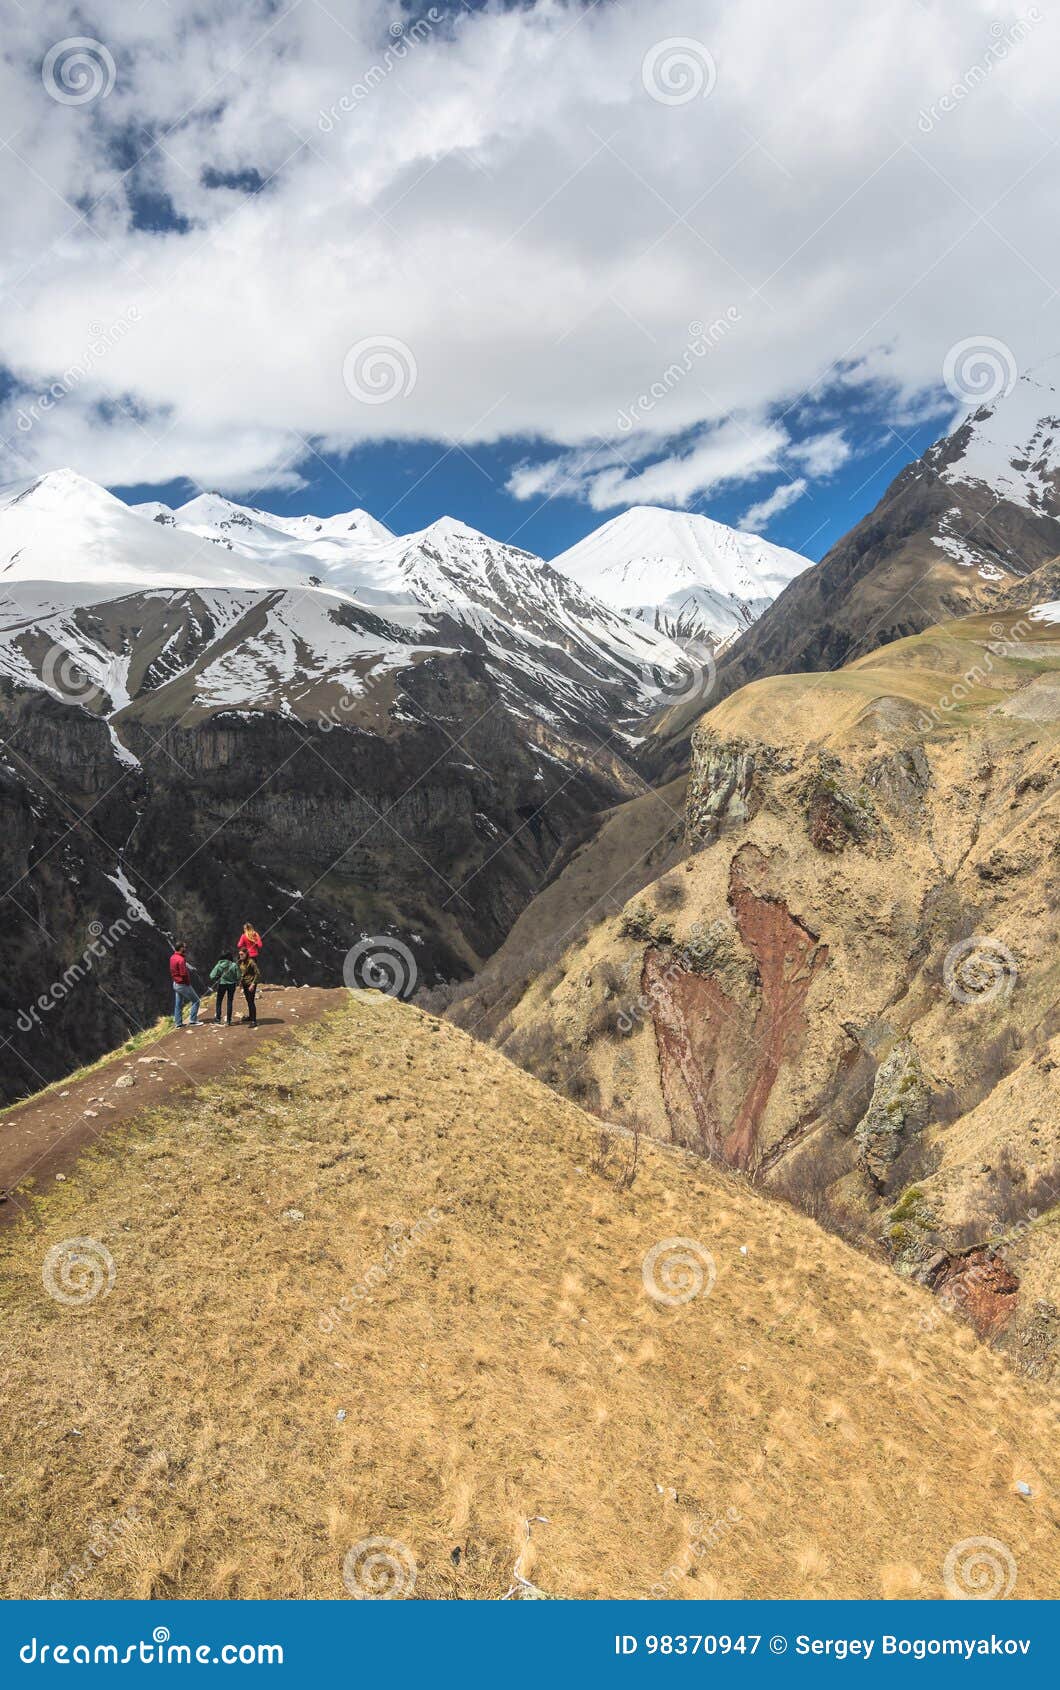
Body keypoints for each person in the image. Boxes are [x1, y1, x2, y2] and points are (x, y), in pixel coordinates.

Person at [169, 942, 200, 1028]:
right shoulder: (181, 960)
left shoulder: (172, 957)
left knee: (178, 1004)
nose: (186, 948)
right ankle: (193, 1020)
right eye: (184, 947)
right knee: (196, 1001)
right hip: (183, 984)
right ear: (181, 948)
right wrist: (188, 983)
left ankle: (178, 1023)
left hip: (175, 983)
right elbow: (183, 974)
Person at [209, 951, 240, 1025]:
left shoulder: (219, 965)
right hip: (232, 985)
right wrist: (234, 980)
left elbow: (212, 976)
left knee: (219, 1002)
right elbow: (239, 976)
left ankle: (218, 1019)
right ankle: (228, 1021)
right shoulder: (234, 965)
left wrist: (217, 978)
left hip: (221, 984)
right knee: (229, 1001)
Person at [239, 949, 260, 1026]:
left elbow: (257, 973)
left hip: (251, 984)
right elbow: (243, 973)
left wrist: (253, 984)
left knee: (251, 1001)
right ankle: (251, 1017)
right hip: (245, 983)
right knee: (248, 1000)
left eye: (242, 954)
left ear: (246, 954)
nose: (240, 956)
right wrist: (241, 983)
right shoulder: (242, 962)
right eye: (240, 954)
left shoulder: (251, 962)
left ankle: (254, 1021)